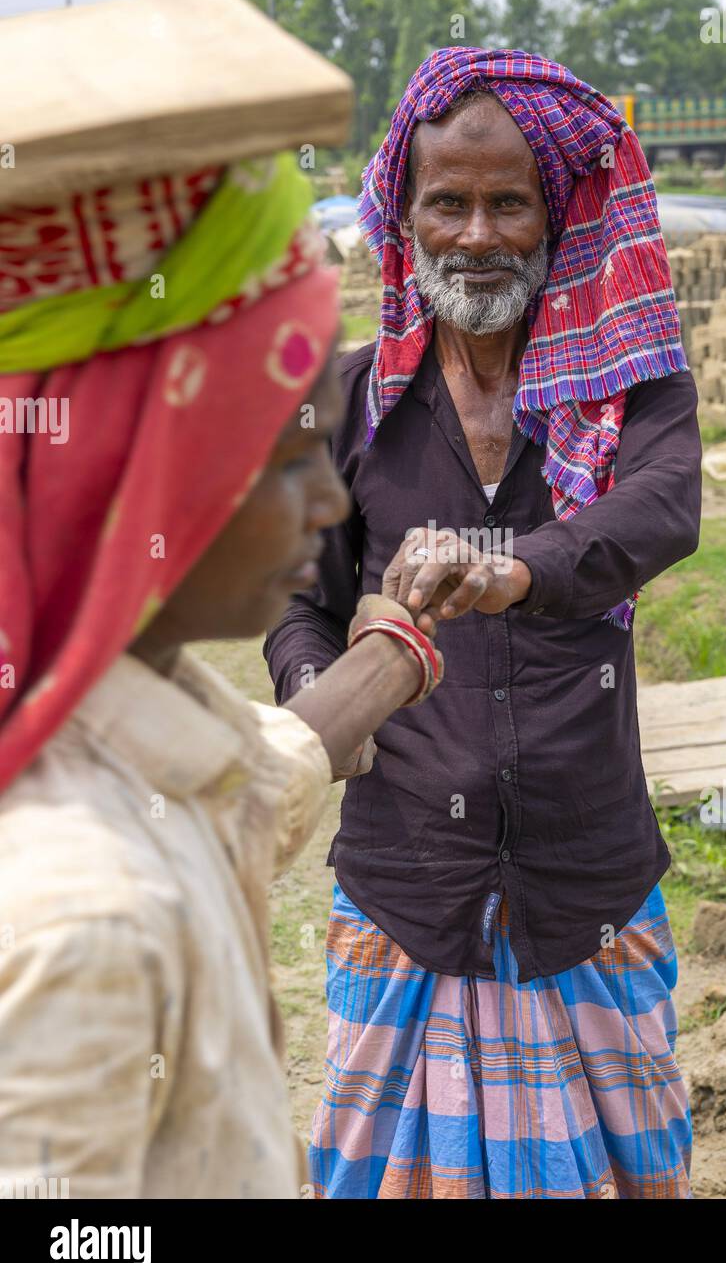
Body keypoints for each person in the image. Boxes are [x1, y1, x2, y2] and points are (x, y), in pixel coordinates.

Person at [265, 48, 703, 1200]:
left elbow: (661, 513)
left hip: (587, 884)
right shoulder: (346, 401)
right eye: (446, 203)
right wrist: (326, 705)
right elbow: (296, 603)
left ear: (555, 220)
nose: (475, 233)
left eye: (507, 202)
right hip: (409, 884)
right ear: (402, 223)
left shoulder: (630, 388)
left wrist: (511, 567)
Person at [0, 141, 445, 1198]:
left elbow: (261, 775)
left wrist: (396, 652)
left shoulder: (117, 727)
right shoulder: (92, 920)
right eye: (292, 459)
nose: (332, 504)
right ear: (129, 463)